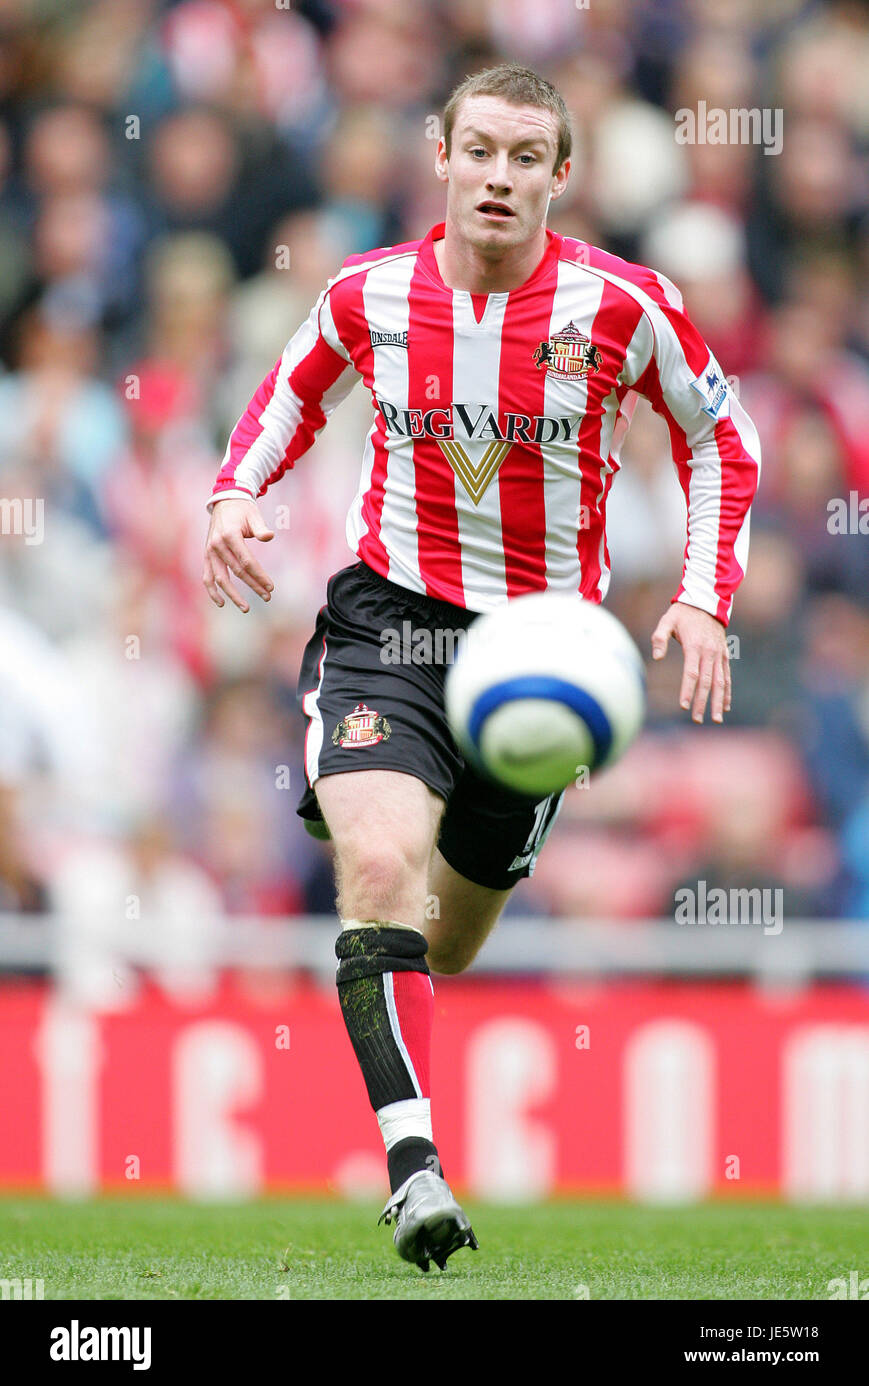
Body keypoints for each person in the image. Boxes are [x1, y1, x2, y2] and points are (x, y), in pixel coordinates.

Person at [202, 64, 761, 1271]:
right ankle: (413, 1171)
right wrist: (235, 495)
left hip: (541, 656)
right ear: (438, 155)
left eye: (525, 158)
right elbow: (283, 400)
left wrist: (705, 598)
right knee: (380, 862)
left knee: (445, 942)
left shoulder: (623, 307)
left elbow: (721, 432)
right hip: (387, 628)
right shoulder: (368, 294)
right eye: (480, 151)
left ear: (561, 176)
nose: (498, 177)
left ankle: (411, 1024)